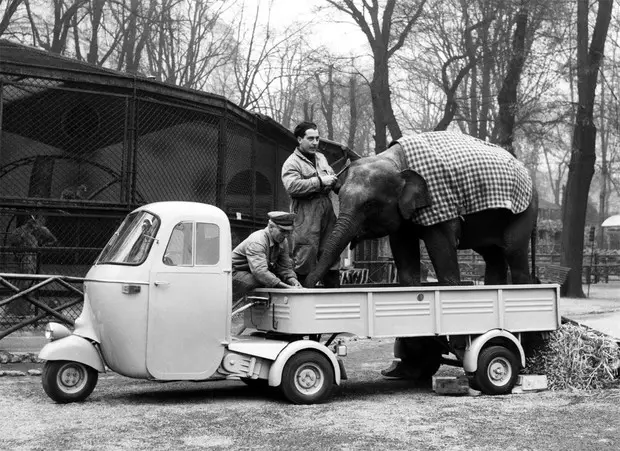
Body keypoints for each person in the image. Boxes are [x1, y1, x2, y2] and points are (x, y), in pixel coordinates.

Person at [281, 121, 340, 288]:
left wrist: (338, 185)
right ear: (300, 139)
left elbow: (331, 176)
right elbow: (292, 187)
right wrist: (320, 181)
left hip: (327, 210)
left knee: (331, 251)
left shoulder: (321, 158)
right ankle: (303, 297)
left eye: (317, 138)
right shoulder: (292, 163)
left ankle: (335, 298)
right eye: (311, 138)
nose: (315, 143)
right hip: (306, 212)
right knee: (305, 254)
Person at [231, 211, 303, 303]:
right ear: (270, 227)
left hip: (251, 272)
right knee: (264, 281)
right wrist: (288, 288)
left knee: (272, 280)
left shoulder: (282, 241)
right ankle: (238, 306)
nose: (286, 235)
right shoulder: (257, 241)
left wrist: (293, 280)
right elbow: (260, 273)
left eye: (288, 232)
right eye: (282, 231)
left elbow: (285, 267)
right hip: (233, 274)